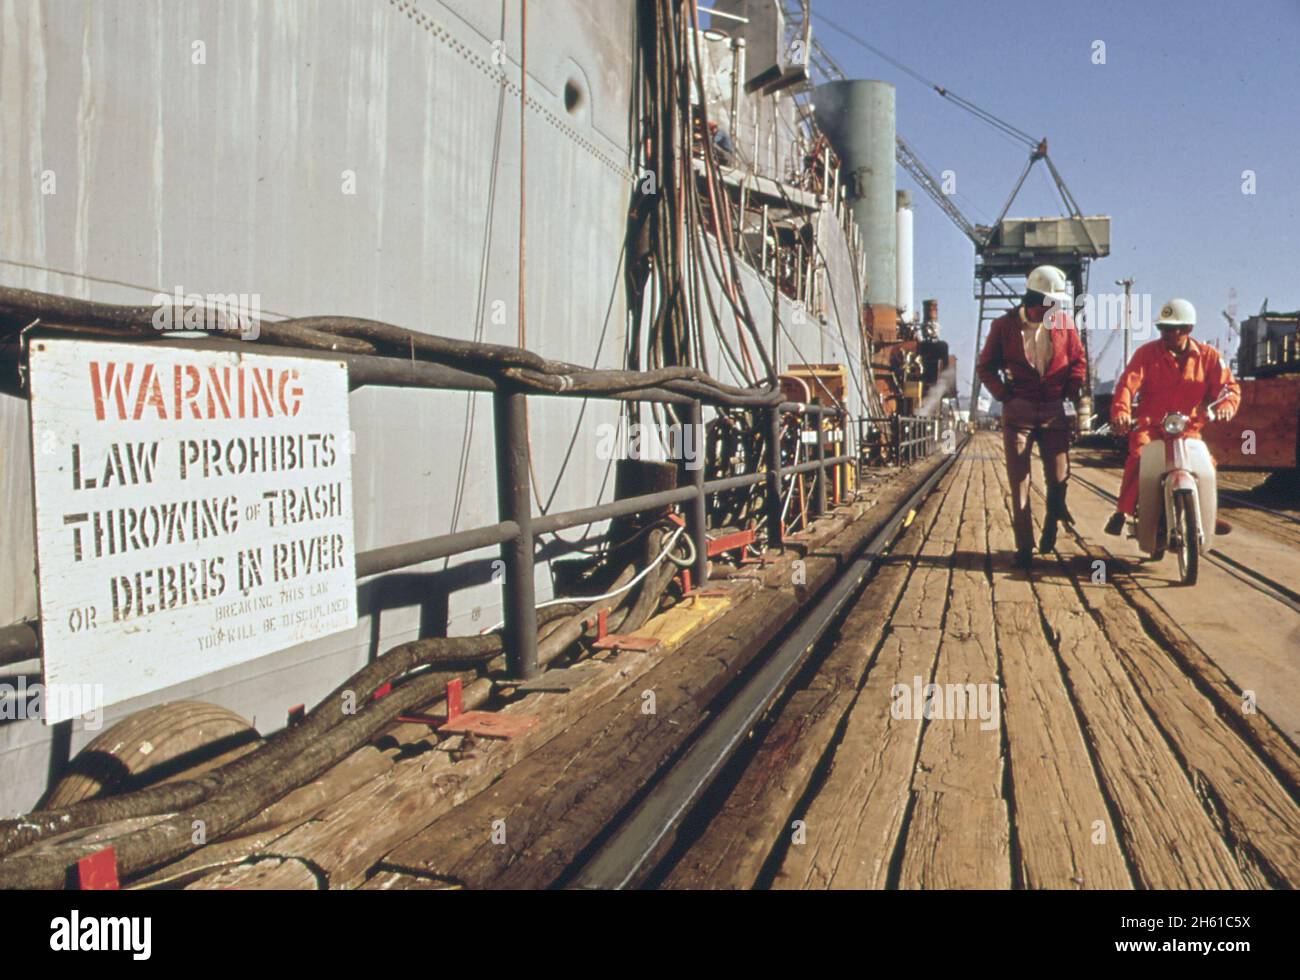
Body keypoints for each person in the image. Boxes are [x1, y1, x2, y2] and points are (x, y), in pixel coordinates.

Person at [977, 264, 1088, 568]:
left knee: (1059, 477)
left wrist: (1071, 389)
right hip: (1019, 412)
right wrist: (1004, 396)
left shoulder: (1065, 325)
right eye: (1049, 303)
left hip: (1053, 411)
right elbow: (984, 366)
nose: (1054, 308)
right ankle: (1024, 548)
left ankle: (1052, 519)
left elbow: (1078, 361)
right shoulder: (1003, 327)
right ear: (1033, 300)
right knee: (1020, 483)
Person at [1105, 298, 1240, 535]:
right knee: (1138, 457)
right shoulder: (1146, 354)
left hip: (1189, 428)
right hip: (1151, 426)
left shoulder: (1208, 356)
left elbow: (1229, 387)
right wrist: (1122, 412)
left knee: (1206, 465)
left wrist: (1227, 405)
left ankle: (1206, 514)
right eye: (1162, 328)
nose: (1165, 333)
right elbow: (1127, 385)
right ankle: (1123, 511)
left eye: (1171, 328)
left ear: (1188, 329)